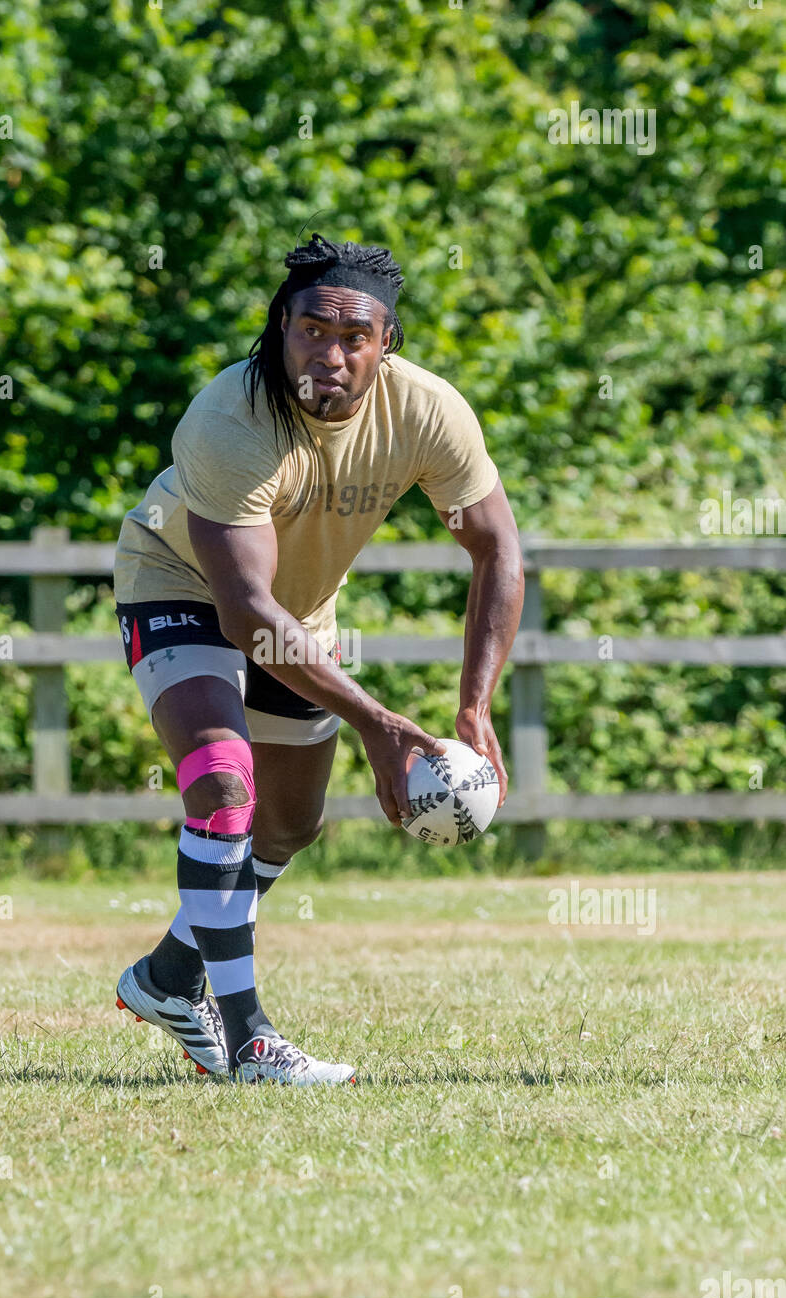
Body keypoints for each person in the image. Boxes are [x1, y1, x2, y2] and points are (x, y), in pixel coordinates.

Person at [113, 232, 524, 1084]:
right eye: (311, 331)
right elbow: (245, 611)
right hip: (181, 585)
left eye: (353, 337)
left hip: (298, 617)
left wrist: (474, 704)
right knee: (223, 785)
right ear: (280, 328)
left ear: (385, 343)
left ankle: (166, 977)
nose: (328, 355)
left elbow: (496, 550)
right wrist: (375, 721)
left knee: (288, 825)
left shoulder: (426, 412)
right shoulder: (229, 419)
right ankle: (248, 1042)